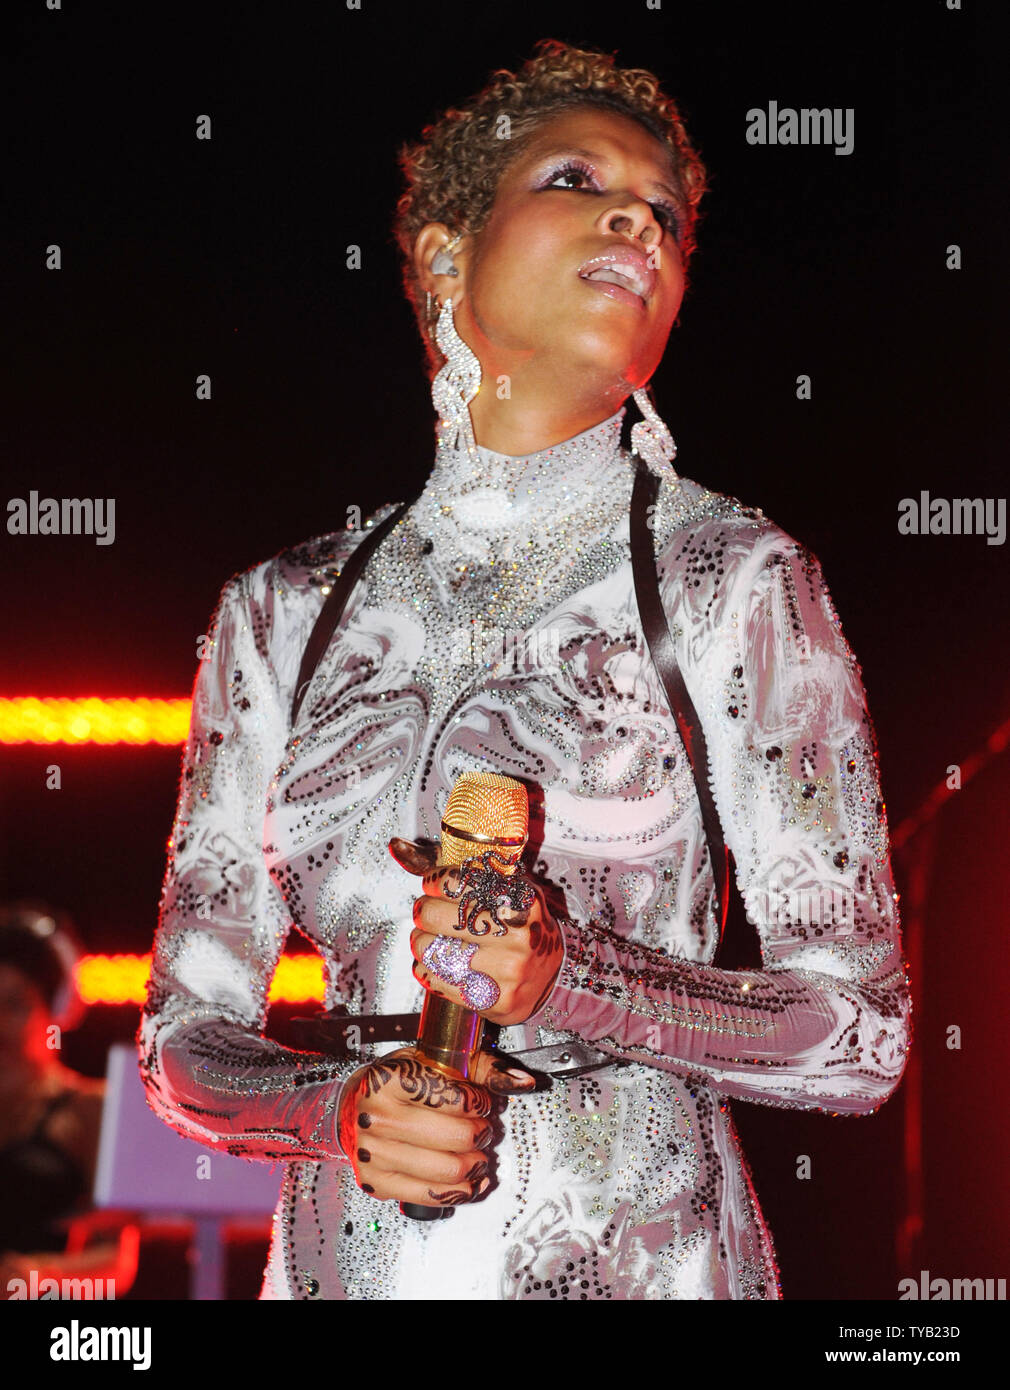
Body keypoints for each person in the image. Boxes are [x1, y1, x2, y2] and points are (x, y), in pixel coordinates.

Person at [138, 39, 911, 1300]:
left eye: (664, 213)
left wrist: (579, 981)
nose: (638, 220)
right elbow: (180, 1041)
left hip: (643, 1253)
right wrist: (339, 1109)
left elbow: (862, 1037)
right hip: (348, 1259)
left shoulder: (734, 579)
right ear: (446, 249)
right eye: (577, 178)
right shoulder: (278, 611)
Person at [0, 902, 139, 1298]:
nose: (0, 1022)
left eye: (15, 1005)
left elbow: (116, 1266)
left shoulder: (92, 1109)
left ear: (55, 1009)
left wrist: (37, 1278)